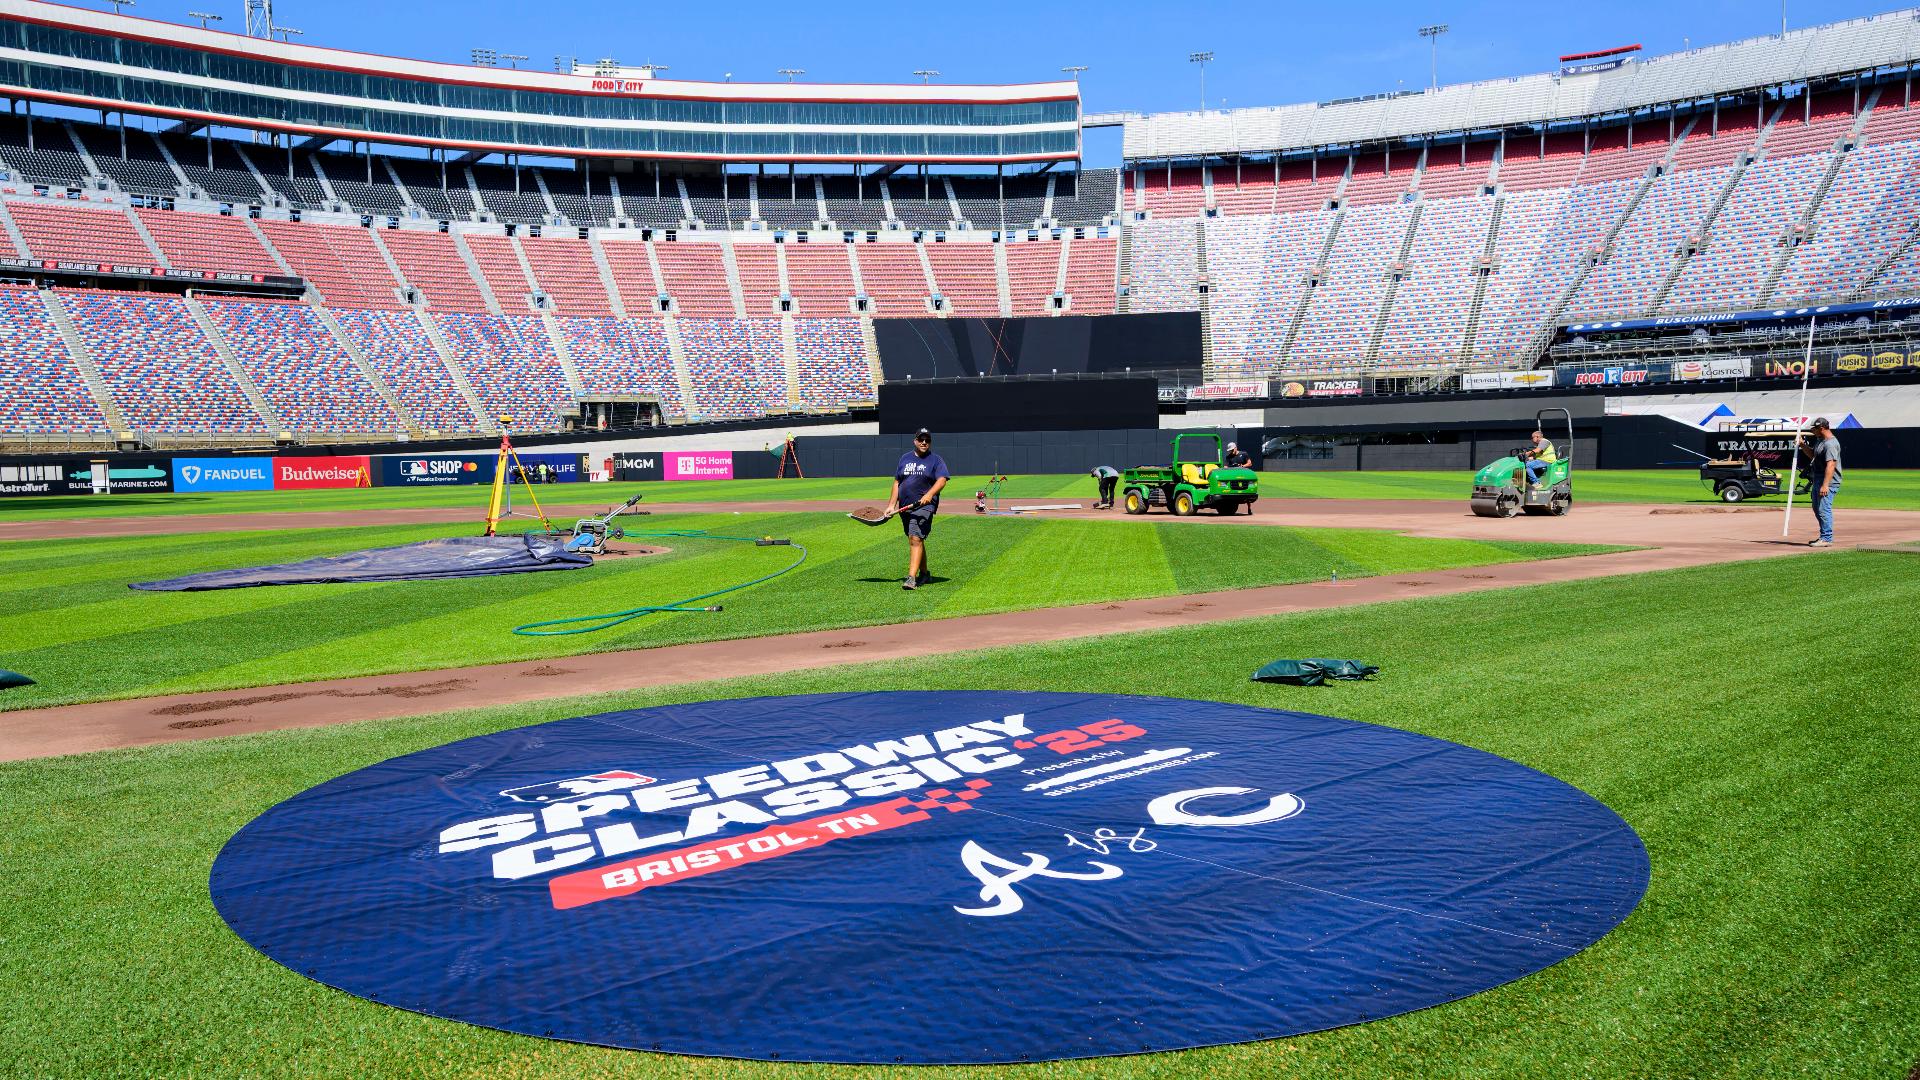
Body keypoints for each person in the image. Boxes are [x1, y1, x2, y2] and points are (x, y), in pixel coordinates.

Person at [888, 428, 949, 590]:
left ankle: (911, 578)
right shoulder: (904, 458)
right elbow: (897, 483)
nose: (924, 442)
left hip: (924, 506)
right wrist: (891, 505)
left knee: (915, 538)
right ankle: (925, 574)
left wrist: (929, 494)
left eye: (927, 440)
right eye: (921, 439)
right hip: (905, 507)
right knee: (917, 539)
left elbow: (942, 480)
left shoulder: (936, 460)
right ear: (915, 441)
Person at [1802, 417, 1842, 547]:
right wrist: (1802, 445)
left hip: (1828, 482)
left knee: (1823, 509)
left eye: (1814, 429)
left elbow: (1831, 465)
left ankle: (1826, 538)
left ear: (1821, 428)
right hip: (1818, 479)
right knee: (1816, 508)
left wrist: (1825, 485)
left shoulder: (1831, 444)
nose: (1812, 431)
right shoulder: (1820, 441)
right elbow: (1813, 455)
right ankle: (1824, 535)